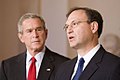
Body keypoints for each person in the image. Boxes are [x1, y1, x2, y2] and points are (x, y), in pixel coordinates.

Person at [54, 7, 120, 80]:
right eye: (66, 27)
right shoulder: (63, 69)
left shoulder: (114, 66)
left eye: (74, 24)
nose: (69, 30)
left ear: (93, 27)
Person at [0, 13, 69, 80]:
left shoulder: (63, 64)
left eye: (39, 30)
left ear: (46, 33)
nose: (35, 35)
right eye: (29, 31)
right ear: (21, 37)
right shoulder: (7, 66)